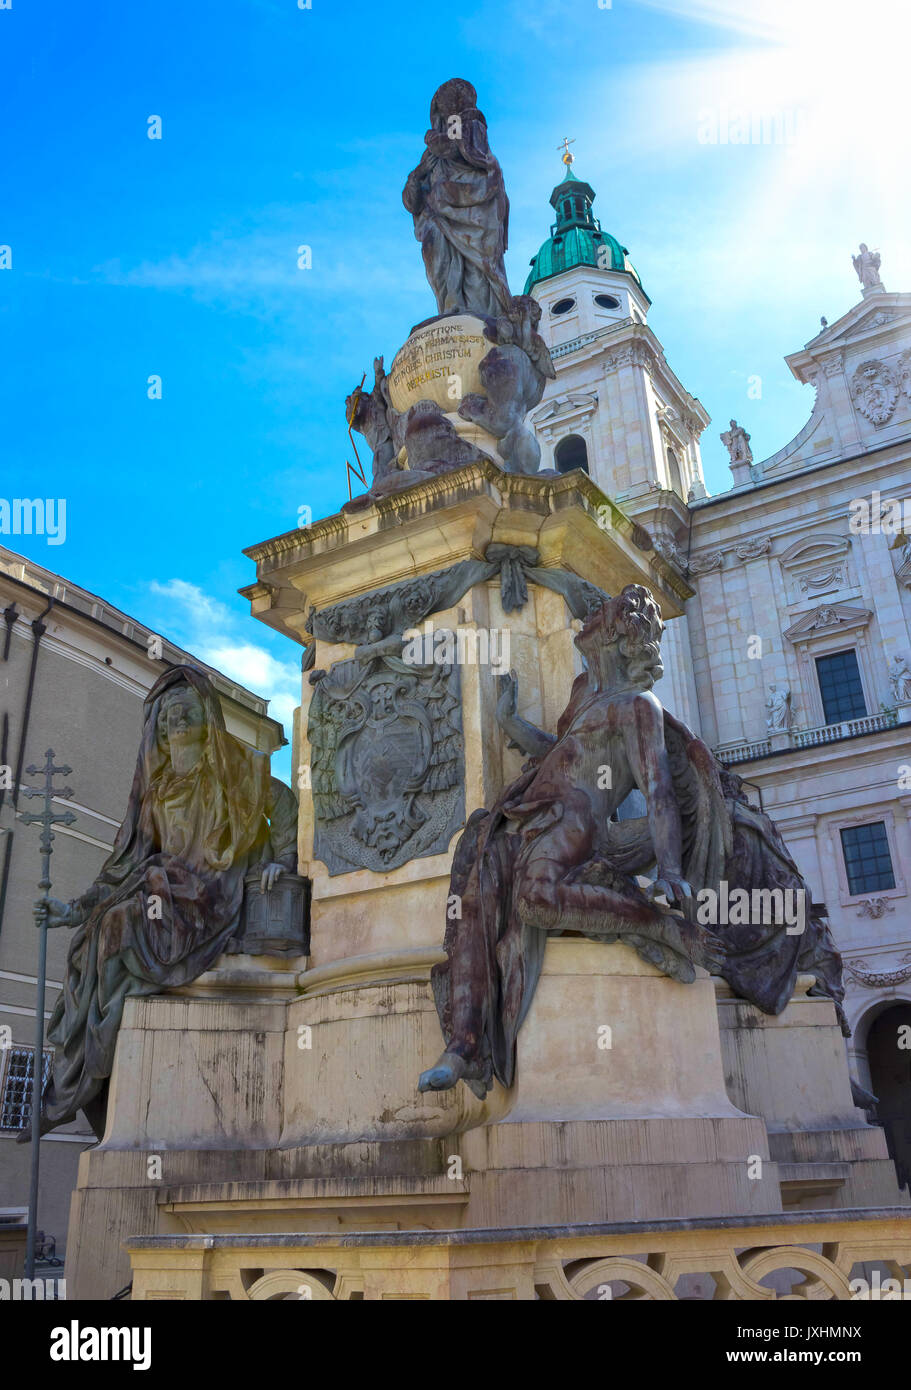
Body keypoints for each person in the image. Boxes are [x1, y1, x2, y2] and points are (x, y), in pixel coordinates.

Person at [27, 665, 296, 1139]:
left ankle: (92, 1068)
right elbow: (123, 866)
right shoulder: (156, 795)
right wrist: (73, 911)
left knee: (129, 914)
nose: (175, 720)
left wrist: (285, 858)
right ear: (160, 732)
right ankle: (94, 1064)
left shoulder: (235, 776)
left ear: (204, 719)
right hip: (162, 894)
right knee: (101, 933)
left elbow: (283, 803)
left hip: (211, 894)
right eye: (168, 715)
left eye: (185, 712)